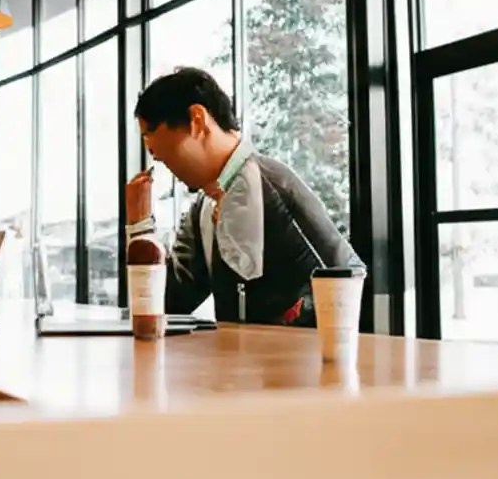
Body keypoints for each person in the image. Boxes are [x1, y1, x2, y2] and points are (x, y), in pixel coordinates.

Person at [126, 68, 365, 326]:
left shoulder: (273, 186)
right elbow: (166, 301)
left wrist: (289, 326)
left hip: (292, 363)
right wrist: (140, 228)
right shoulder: (203, 209)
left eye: (154, 139)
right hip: (238, 364)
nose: (156, 157)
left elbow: (347, 279)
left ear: (197, 120)